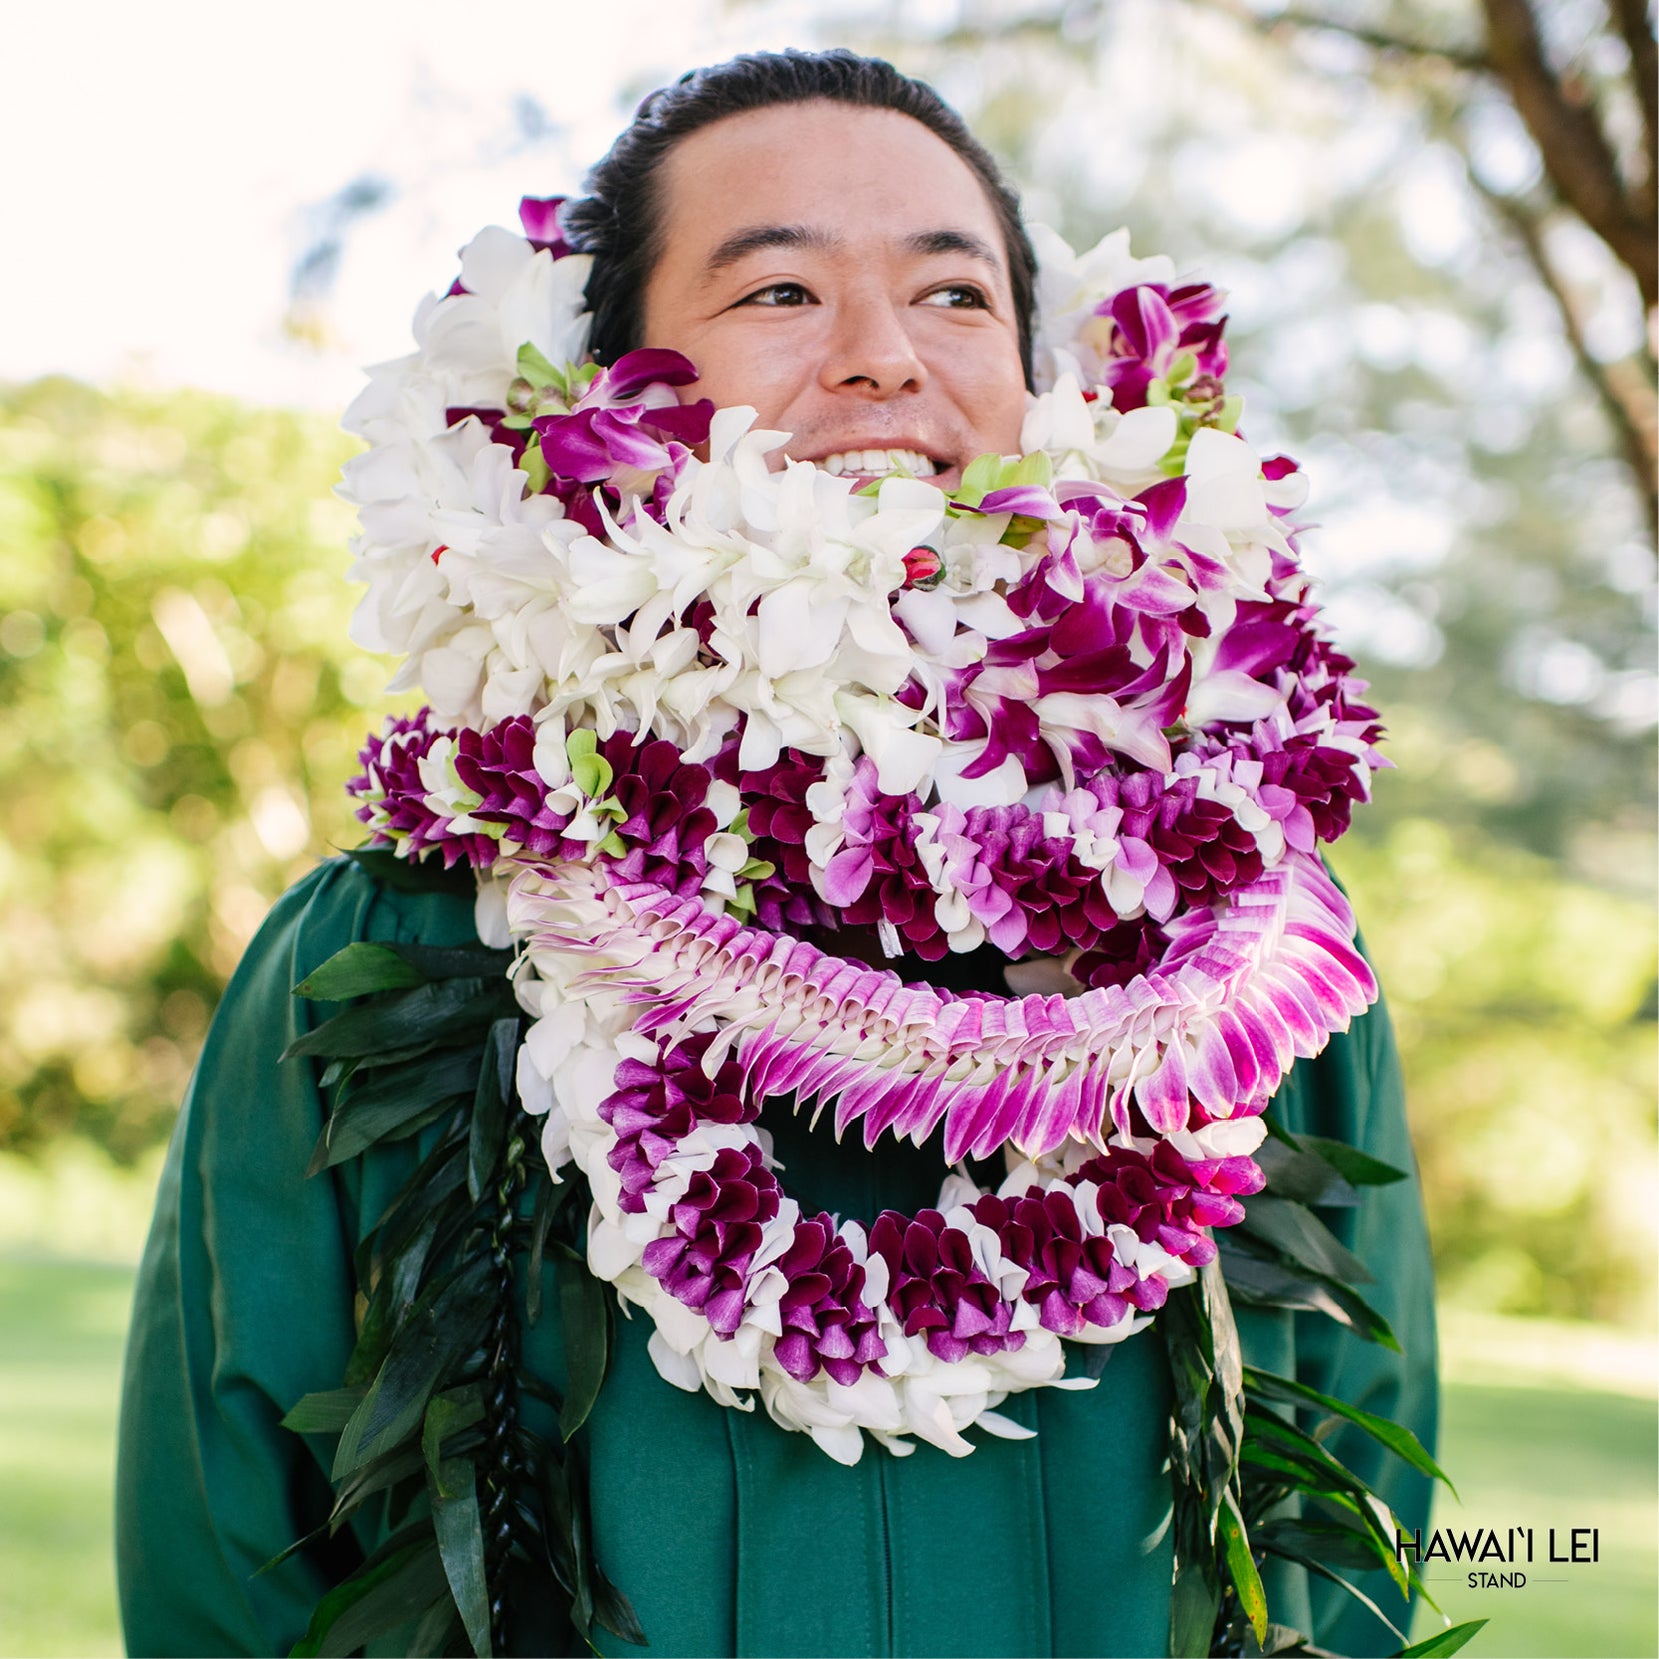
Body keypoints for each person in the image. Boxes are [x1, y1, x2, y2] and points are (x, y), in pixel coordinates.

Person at [116, 49, 1438, 1659]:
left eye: (955, 295)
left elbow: (1357, 1531)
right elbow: (231, 1557)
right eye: (781, 291)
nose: (884, 354)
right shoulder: (396, 939)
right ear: (603, 392)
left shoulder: (1249, 969)